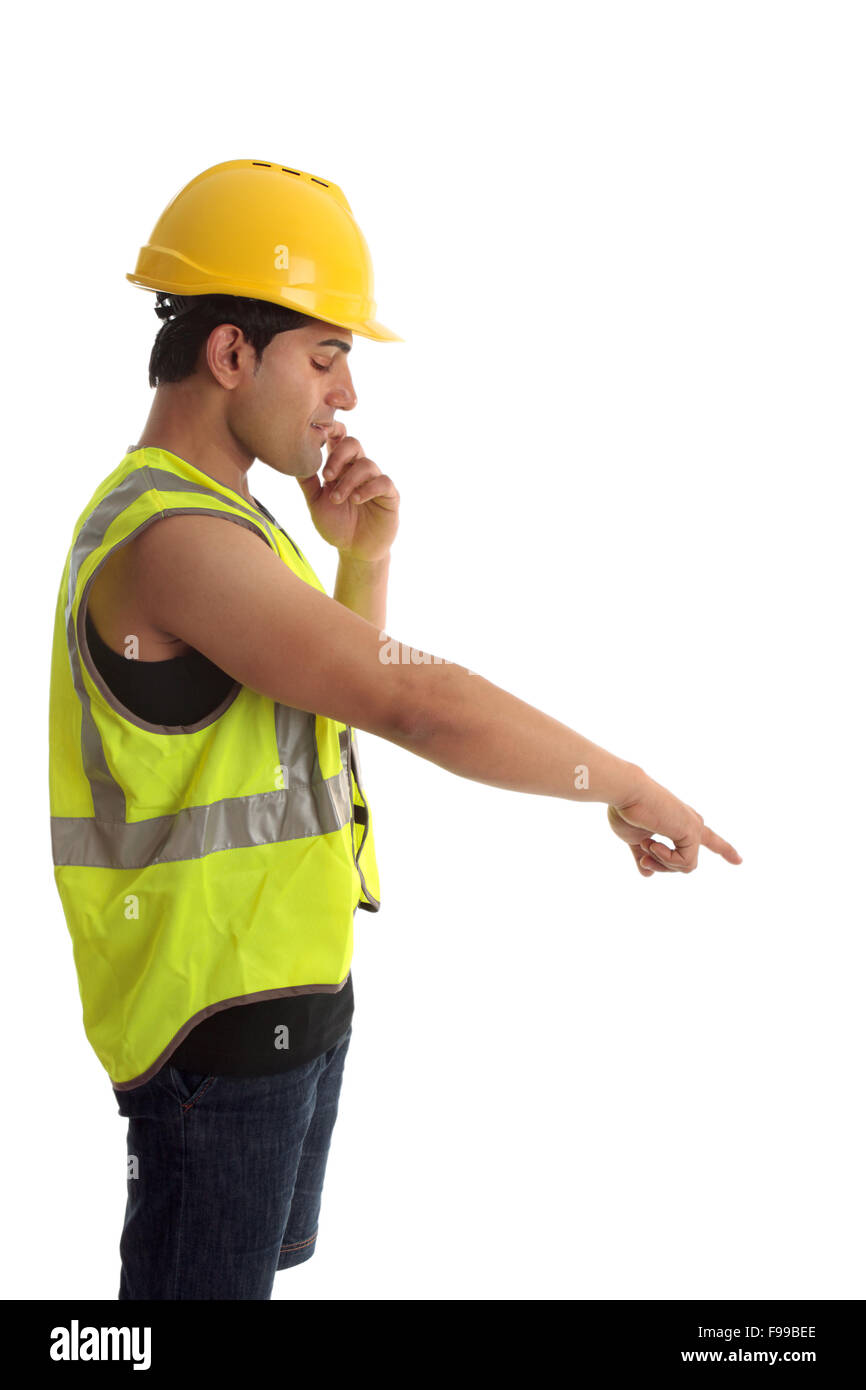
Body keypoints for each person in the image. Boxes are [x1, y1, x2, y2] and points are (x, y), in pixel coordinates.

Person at [48, 158, 742, 1301]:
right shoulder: (173, 540)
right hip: (209, 1039)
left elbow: (323, 704)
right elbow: (412, 696)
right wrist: (619, 780)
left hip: (280, 1004)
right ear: (231, 353)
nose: (346, 396)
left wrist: (361, 557)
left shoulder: (231, 526)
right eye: (326, 357)